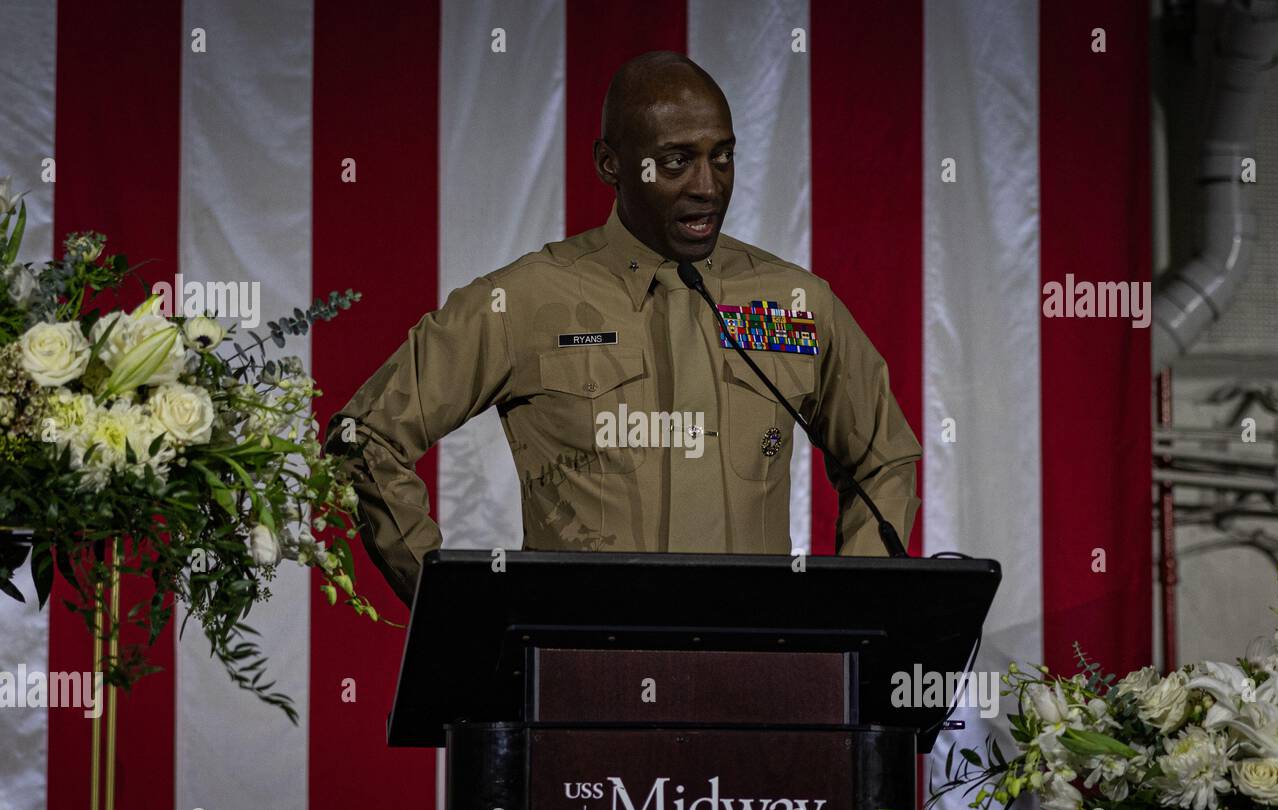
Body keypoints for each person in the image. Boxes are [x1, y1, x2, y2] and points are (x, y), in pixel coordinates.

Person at [325, 51, 921, 608]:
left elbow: (884, 458)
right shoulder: (525, 300)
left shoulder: (794, 303)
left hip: (754, 683)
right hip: (576, 684)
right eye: (675, 161)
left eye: (723, 156)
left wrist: (850, 619)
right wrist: (457, 610)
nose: (708, 186)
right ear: (610, 164)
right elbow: (364, 437)